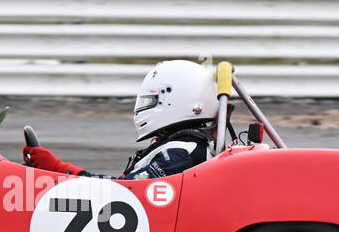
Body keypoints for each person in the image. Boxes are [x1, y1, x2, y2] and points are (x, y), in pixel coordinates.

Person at [22, 60, 219, 180]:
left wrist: (57, 170)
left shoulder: (181, 152)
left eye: (150, 101)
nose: (143, 107)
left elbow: (122, 193)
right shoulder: (184, 147)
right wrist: (57, 171)